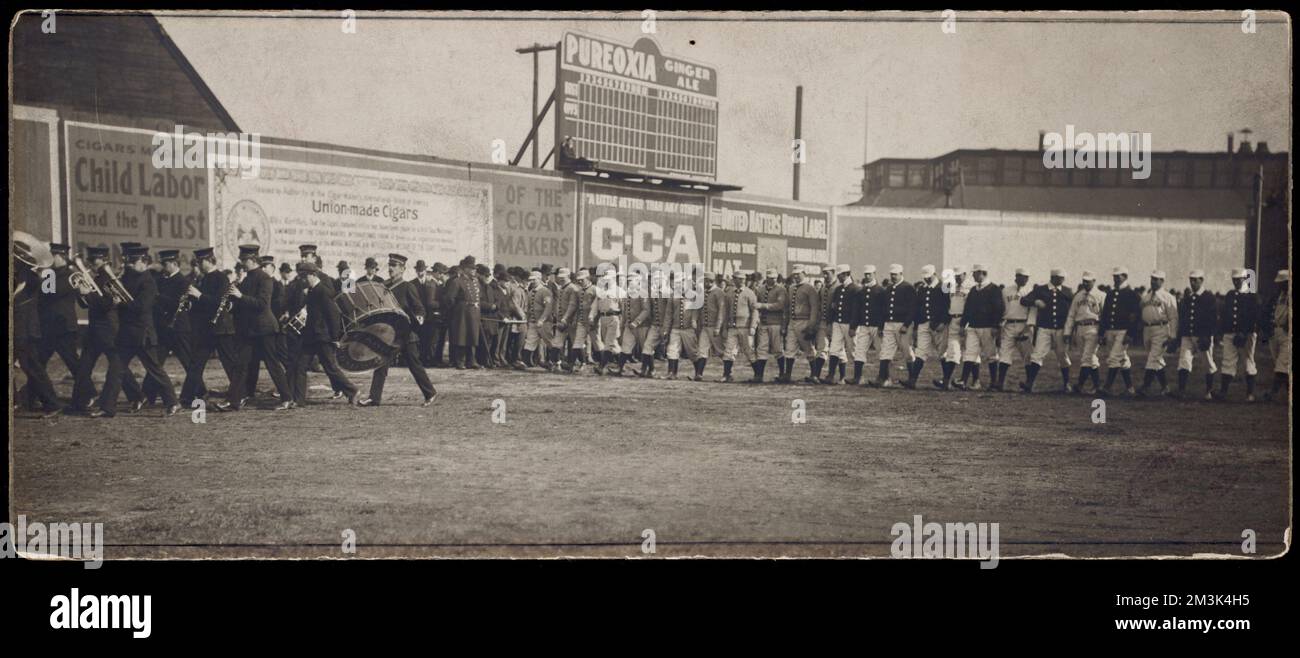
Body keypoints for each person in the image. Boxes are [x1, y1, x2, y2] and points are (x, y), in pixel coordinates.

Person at [102, 245, 181, 417]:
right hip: (127, 334)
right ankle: (107, 408)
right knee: (115, 370)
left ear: (144, 262)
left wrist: (119, 303)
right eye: (127, 261)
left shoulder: (148, 281)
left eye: (133, 261)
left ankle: (173, 402)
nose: (129, 265)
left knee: (155, 370)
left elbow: (141, 307)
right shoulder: (127, 279)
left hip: (142, 334)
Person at [360, 254, 437, 406]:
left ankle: (430, 393)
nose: (390, 269)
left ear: (402, 269)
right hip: (389, 335)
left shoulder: (408, 287)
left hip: (406, 334)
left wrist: (418, 318)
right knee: (380, 364)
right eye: (390, 265)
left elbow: (419, 308)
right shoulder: (384, 286)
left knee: (414, 365)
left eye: (394, 266)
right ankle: (374, 398)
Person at [227, 244, 294, 410]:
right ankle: (235, 401)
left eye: (244, 260)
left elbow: (262, 304)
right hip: (251, 330)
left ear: (251, 260)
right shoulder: (248, 278)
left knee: (272, 364)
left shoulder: (264, 278)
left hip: (264, 328)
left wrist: (240, 295)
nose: (242, 263)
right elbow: (243, 305)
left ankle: (287, 399)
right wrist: (231, 306)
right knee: (241, 365)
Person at [291, 260, 359, 406]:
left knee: (331, 369)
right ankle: (299, 400)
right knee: (300, 366)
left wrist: (335, 338)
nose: (303, 280)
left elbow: (333, 315)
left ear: (313, 275)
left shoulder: (323, 291)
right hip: (311, 337)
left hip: (323, 337)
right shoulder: (311, 291)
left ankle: (352, 390)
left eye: (305, 277)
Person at [1020, 268, 1074, 394]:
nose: (1062, 280)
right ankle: (1029, 383)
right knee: (1038, 354)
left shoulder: (1067, 291)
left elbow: (1073, 309)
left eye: (1063, 278)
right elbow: (1023, 300)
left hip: (1061, 328)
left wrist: (1070, 330)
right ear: (1053, 278)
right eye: (1059, 278)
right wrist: (1035, 301)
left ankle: (1066, 383)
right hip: (1044, 328)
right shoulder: (1040, 290)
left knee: (1062, 355)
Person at [1215, 268, 1260, 402]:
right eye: (1234, 280)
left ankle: (1250, 393)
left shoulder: (1252, 296)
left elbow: (1254, 317)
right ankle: (1223, 392)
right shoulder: (1230, 295)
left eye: (1238, 279)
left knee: (1248, 361)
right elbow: (1225, 315)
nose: (1236, 282)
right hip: (1230, 333)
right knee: (1227, 361)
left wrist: (1244, 332)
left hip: (1247, 334)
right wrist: (1223, 331)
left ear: (1245, 279)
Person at [957, 264, 1004, 390]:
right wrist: (963, 325)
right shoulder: (973, 290)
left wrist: (995, 326)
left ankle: (994, 382)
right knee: (970, 353)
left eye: (975, 273)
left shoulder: (994, 289)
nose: (973, 276)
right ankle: (963, 380)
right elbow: (967, 309)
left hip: (988, 327)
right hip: (973, 326)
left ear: (983, 273)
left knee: (991, 355)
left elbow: (998, 309)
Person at [1175, 269, 1218, 400]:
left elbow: (1212, 319)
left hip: (1202, 336)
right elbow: (1183, 318)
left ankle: (1209, 390)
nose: (1193, 283)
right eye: (1191, 280)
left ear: (1202, 280)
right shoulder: (1188, 298)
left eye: (1196, 280)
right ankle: (1181, 391)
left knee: (1207, 363)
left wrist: (1207, 336)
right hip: (1188, 335)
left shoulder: (1208, 297)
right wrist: (1179, 337)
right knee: (1184, 361)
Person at [1134, 270, 1179, 397]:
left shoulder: (1168, 297)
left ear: (1162, 281)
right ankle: (1165, 387)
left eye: (1156, 279)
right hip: (1147, 329)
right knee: (1155, 359)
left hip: (1161, 328)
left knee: (1153, 357)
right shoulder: (1146, 297)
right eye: (1152, 279)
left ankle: (1145, 386)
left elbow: (1173, 318)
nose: (1153, 281)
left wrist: (1173, 335)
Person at [1098, 266, 1141, 396]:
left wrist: (1131, 333)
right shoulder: (1110, 293)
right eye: (1114, 276)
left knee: (1114, 357)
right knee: (1122, 359)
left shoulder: (1132, 294)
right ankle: (1130, 388)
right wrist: (1102, 332)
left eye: (1119, 276)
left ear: (1125, 277)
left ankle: (1107, 386)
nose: (1116, 278)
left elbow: (1135, 316)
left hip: (1123, 331)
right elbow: (1105, 314)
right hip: (1111, 330)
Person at [992, 268, 1036, 392]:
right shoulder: (1006, 291)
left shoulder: (1030, 291)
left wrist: (1028, 327)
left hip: (1024, 325)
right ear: (1016, 277)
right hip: (1009, 324)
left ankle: (1029, 384)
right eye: (1021, 277)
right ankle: (1000, 383)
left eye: (1026, 277)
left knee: (1028, 355)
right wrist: (1000, 326)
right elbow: (1002, 309)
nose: (1024, 279)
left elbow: (1033, 312)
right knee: (1004, 353)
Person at [1064, 271, 1105, 394]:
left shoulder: (1101, 295)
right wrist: (1067, 331)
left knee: (1087, 357)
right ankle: (1097, 386)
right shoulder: (1078, 295)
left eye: (1088, 281)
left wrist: (1103, 333)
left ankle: (1079, 385)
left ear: (1094, 281)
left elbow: (1105, 315)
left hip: (1094, 327)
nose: (1086, 283)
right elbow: (1071, 314)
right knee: (1089, 358)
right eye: (1084, 281)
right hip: (1080, 328)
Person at [875, 264, 915, 388]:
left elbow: (912, 308)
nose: (893, 277)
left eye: (895, 274)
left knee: (907, 351)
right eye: (891, 274)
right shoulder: (888, 289)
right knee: (886, 350)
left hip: (902, 324)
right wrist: (881, 326)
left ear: (901, 274)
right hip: (889, 323)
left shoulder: (908, 287)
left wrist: (906, 324)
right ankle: (883, 378)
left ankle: (912, 379)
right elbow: (883, 309)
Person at [1260, 269, 1290, 401]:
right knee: (1279, 363)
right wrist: (1267, 329)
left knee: (1282, 363)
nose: (1281, 285)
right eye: (1280, 283)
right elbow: (1266, 312)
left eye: (1284, 282)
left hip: (1287, 333)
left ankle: (1272, 393)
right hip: (1275, 332)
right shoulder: (1276, 296)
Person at [850, 265, 883, 386]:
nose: (867, 276)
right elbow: (857, 310)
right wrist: (853, 326)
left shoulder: (880, 290)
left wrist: (881, 327)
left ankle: (884, 377)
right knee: (859, 350)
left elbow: (883, 311)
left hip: (876, 325)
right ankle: (858, 377)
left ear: (875, 273)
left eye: (870, 274)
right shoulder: (861, 291)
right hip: (864, 325)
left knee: (882, 352)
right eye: (866, 274)